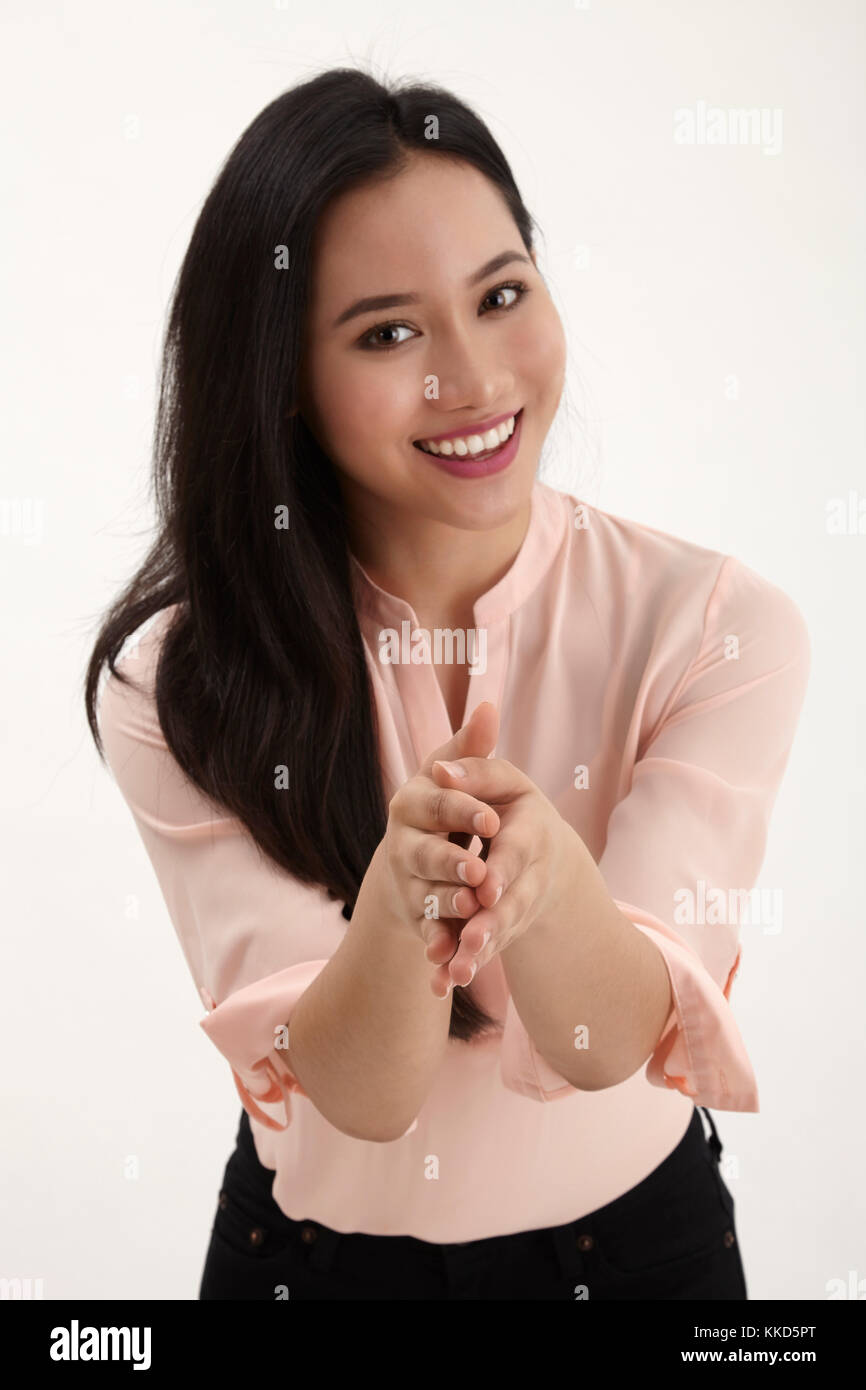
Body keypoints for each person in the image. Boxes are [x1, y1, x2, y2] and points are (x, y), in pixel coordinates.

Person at [85, 67, 811, 1300]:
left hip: (635, 1255)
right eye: (386, 332)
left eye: (501, 294)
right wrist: (400, 909)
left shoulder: (718, 627)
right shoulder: (176, 680)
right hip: (308, 1269)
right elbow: (358, 1098)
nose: (469, 377)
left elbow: (602, 1044)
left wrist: (550, 887)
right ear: (281, 379)